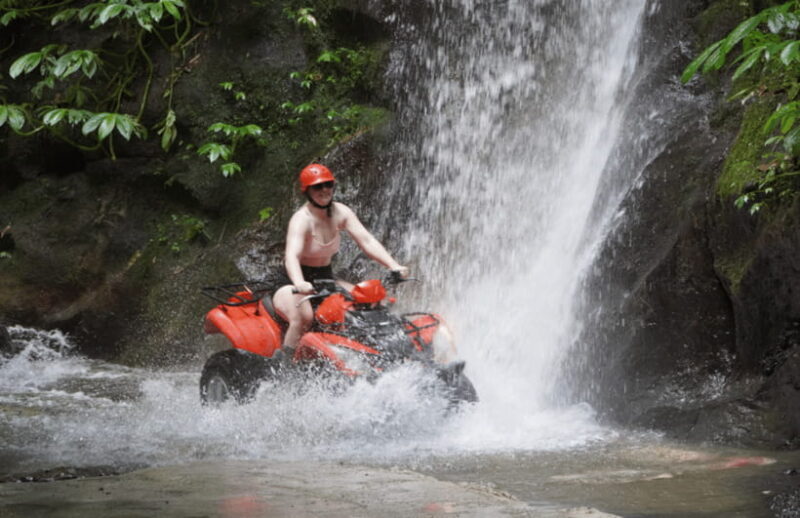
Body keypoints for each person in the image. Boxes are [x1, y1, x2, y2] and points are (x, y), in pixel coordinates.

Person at [272, 163, 408, 359]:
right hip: (291, 281)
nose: (324, 190)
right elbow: (291, 256)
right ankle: (285, 365)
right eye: (317, 187)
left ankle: (373, 357)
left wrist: (393, 265)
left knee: (364, 305)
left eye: (328, 185)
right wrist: (299, 283)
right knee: (304, 317)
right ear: (307, 191)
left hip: (325, 278)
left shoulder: (341, 212)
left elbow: (366, 240)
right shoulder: (301, 219)